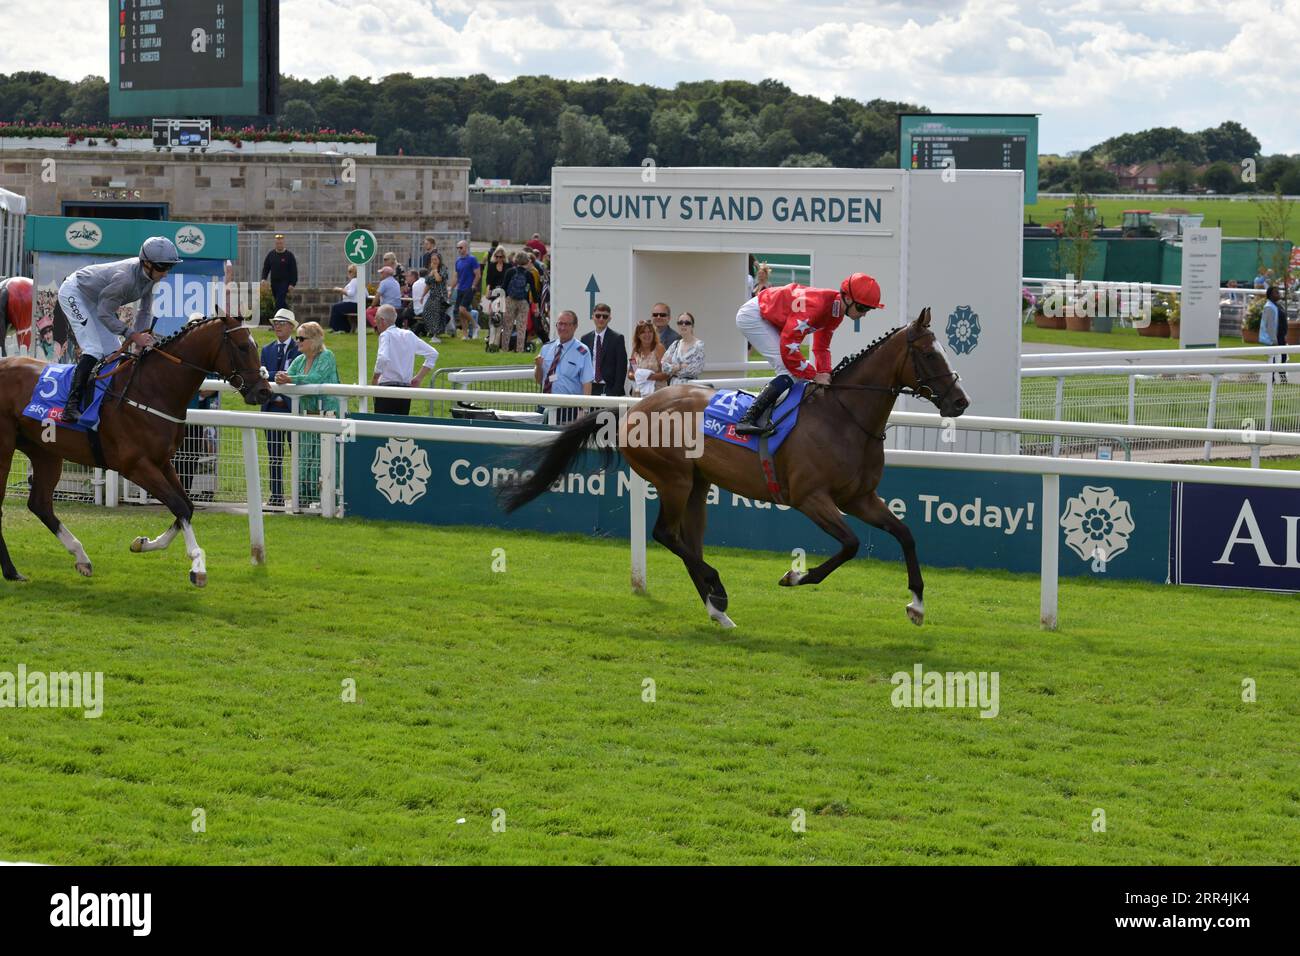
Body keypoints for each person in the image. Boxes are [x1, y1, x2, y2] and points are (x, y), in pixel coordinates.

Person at [734, 272, 884, 434]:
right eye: (862, 307)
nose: (864, 314)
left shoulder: (835, 312)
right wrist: (814, 374)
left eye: (869, 309)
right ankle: (747, 419)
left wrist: (825, 372)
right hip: (754, 316)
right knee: (789, 371)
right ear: (847, 299)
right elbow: (788, 346)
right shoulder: (818, 307)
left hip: (768, 315)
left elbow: (821, 347)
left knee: (797, 374)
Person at [56, 235, 180, 424]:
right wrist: (133, 335)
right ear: (147, 263)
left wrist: (140, 340)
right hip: (75, 293)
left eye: (169, 267)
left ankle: (102, 402)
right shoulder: (125, 279)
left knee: (114, 352)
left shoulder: (150, 277)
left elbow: (145, 310)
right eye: (163, 267)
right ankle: (70, 407)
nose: (165, 273)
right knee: (94, 349)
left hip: (96, 299)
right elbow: (105, 314)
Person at [275, 322, 341, 505]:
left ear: (314, 340)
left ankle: (329, 500)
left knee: (325, 459)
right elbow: (289, 376)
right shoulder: (300, 360)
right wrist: (280, 378)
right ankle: (304, 499)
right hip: (307, 416)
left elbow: (315, 378)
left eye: (301, 338)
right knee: (305, 459)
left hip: (328, 416)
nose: (297, 341)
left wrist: (290, 378)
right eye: (297, 337)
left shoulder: (327, 356)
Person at [261, 308, 300, 507]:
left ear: (291, 327)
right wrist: (278, 374)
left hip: (292, 408)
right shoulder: (267, 349)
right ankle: (276, 496)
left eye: (282, 323)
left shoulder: (299, 348)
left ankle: (299, 496)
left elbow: (294, 373)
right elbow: (261, 373)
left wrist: (272, 374)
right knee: (274, 455)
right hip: (272, 408)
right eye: (276, 322)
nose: (277, 326)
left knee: (297, 454)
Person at [371, 304, 438, 416]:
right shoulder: (409, 335)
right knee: (401, 427)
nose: (375, 324)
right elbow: (433, 354)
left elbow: (383, 357)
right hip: (405, 389)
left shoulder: (385, 335)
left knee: (382, 427)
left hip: (386, 388)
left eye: (376, 320)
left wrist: (375, 377)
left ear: (382, 321)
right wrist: (419, 377)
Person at [535, 310, 593, 424]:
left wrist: (584, 410)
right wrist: (538, 367)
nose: (562, 328)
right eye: (560, 324)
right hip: (545, 404)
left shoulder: (582, 351)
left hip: (568, 409)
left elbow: (587, 384)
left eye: (567, 324)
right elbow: (538, 380)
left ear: (575, 326)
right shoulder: (546, 348)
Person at [581, 303, 627, 397]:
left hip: (609, 388)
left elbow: (621, 368)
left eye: (605, 316)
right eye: (598, 316)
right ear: (593, 317)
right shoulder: (585, 339)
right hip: (589, 387)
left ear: (609, 318)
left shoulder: (617, 338)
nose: (601, 319)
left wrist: (615, 392)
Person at [657, 312, 707, 385]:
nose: (683, 325)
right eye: (680, 322)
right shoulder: (675, 344)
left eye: (687, 323)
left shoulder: (699, 345)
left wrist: (672, 369)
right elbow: (664, 366)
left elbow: (695, 370)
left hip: (690, 387)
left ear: (692, 326)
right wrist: (679, 367)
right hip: (674, 387)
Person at [501, 252, 533, 352]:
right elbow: (534, 291)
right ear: (527, 261)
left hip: (510, 300)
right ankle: (519, 349)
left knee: (507, 326)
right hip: (523, 302)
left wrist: (502, 301)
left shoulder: (510, 271)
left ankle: (505, 348)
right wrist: (535, 303)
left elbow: (504, 287)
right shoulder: (528, 274)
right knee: (521, 327)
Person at [451, 239, 481, 340]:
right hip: (460, 288)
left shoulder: (472, 259)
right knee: (461, 313)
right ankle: (465, 334)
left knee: (462, 309)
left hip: (469, 288)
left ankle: (475, 325)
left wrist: (473, 285)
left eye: (461, 247)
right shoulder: (458, 261)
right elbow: (456, 276)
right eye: (458, 248)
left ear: (466, 248)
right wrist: (451, 288)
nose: (459, 250)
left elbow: (478, 274)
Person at [260, 234, 298, 312]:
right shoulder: (271, 254)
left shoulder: (289, 255)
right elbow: (266, 267)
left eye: (281, 243)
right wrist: (264, 278)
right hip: (274, 282)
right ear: (275, 244)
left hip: (285, 283)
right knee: (280, 302)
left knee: (279, 302)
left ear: (284, 244)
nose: (279, 245)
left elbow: (294, 271)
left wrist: (292, 284)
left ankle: (277, 320)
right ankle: (289, 316)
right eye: (277, 243)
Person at [626, 320, 665, 397]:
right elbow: (630, 372)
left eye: (650, 331)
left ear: (653, 333)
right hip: (638, 393)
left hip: (657, 393)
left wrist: (647, 376)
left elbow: (666, 374)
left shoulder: (659, 348)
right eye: (643, 332)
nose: (647, 334)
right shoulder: (635, 350)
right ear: (638, 335)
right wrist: (639, 376)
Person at [420, 252, 450, 341]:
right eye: (432, 259)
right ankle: (433, 332)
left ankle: (435, 335)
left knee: (436, 314)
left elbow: (438, 279)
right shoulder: (431, 270)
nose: (433, 261)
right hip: (432, 295)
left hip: (440, 295)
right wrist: (422, 295)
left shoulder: (443, 269)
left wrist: (435, 270)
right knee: (426, 311)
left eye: (435, 259)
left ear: (439, 260)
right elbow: (428, 284)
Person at [1261, 284, 1287, 382]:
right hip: (1274, 338)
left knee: (1283, 357)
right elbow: (1269, 326)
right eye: (1276, 292)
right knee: (1274, 358)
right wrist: (1274, 340)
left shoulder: (1278, 305)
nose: (1279, 294)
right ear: (1271, 295)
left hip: (1281, 336)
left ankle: (1283, 378)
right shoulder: (1269, 307)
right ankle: (1271, 379)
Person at [329, 264, 360, 333]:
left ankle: (337, 328)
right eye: (348, 271)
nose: (348, 273)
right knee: (339, 308)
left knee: (335, 308)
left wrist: (340, 289)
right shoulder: (359, 281)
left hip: (353, 304)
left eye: (350, 271)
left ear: (355, 273)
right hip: (357, 305)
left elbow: (350, 293)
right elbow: (366, 294)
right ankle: (345, 328)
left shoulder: (354, 281)